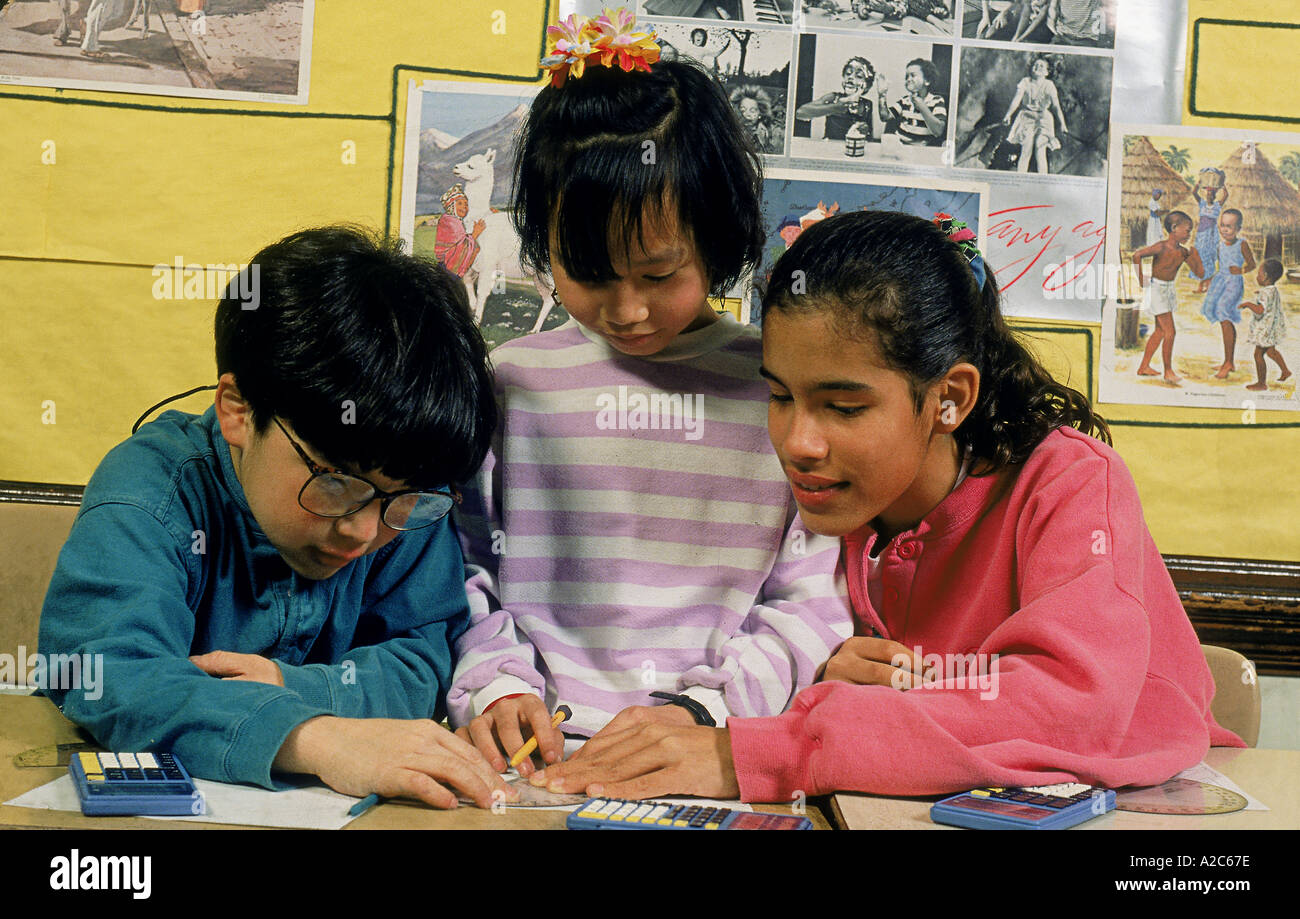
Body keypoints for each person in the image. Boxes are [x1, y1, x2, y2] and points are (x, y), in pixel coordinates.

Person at [529, 210, 1243, 801]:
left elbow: (1072, 706)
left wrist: (769, 749)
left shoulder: (1068, 485)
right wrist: (818, 673)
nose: (798, 442)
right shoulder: (822, 502)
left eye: (843, 405)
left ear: (950, 398)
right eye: (779, 396)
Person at [450, 14, 852, 777]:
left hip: (714, 758)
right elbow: (462, 566)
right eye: (590, 274)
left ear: (720, 240)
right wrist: (496, 683)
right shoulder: (512, 384)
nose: (627, 309)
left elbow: (812, 599)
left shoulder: (776, 391)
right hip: (527, 759)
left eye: (659, 275)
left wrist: (708, 713)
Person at [38, 227, 513, 810]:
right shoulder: (152, 490)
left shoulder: (403, 501)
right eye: (335, 482)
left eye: (404, 498)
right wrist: (313, 737)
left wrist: (295, 687)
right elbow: (103, 671)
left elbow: (421, 656)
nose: (364, 532)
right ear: (238, 410)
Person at [1133, 210, 1203, 385]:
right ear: (1174, 228)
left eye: (1191, 231)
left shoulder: (1184, 252)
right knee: (1170, 332)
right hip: (1157, 289)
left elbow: (1200, 273)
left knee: (1160, 331)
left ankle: (1144, 367)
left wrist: (1196, 256)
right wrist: (1141, 278)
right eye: (1187, 230)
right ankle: (1168, 371)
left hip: (1168, 290)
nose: (1189, 234)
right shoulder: (1162, 247)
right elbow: (1137, 255)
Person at [1200, 208, 1256, 380]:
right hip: (1220, 280)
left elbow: (1252, 264)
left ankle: (1228, 361)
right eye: (1223, 226)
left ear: (1238, 228)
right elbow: (1220, 266)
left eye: (1230, 227)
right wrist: (1209, 280)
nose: (1225, 230)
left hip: (1233, 282)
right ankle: (1228, 360)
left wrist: (1240, 270)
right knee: (1214, 310)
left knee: (1224, 313)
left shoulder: (1242, 244)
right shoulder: (1220, 245)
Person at [1002, 54, 1067, 174]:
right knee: (1026, 149)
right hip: (1026, 117)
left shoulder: (1049, 85)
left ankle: (1043, 180)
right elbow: (1016, 100)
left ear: (1047, 72)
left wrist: (1063, 124)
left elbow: (1056, 106)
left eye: (1042, 66)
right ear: (1031, 68)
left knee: (1040, 148)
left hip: (1043, 119)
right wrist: (1008, 115)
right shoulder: (1025, 82)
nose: (1038, 67)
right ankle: (1020, 178)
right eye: (1035, 65)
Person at [795, 56, 878, 142]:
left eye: (859, 76)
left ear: (867, 86)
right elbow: (800, 113)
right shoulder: (833, 98)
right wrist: (834, 108)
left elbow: (869, 137)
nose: (851, 77)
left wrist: (866, 131)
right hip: (831, 146)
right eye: (848, 73)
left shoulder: (867, 105)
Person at [1239, 258, 1292, 392]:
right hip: (1271, 328)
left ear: (1266, 277)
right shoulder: (1272, 290)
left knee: (1258, 355)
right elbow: (1268, 299)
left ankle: (1261, 383)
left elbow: (1260, 310)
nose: (1257, 277)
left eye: (1259, 274)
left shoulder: (1265, 293)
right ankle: (1285, 371)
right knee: (1271, 351)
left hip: (1264, 329)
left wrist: (1248, 304)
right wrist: (1260, 294)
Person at [875, 58, 947, 147]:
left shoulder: (937, 100)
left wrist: (922, 107)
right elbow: (885, 117)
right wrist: (882, 95)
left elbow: (938, 130)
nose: (908, 79)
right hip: (900, 146)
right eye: (906, 77)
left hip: (921, 150)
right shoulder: (905, 100)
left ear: (927, 81)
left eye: (913, 75)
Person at [425, 184, 485, 278]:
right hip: (448, 267)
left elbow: (462, 240)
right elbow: (462, 245)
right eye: (460, 203)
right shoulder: (450, 221)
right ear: (451, 206)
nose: (465, 207)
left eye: (466, 204)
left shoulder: (455, 221)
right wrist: (475, 233)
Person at [1191, 174, 1227, 288]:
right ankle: (1200, 276)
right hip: (1202, 233)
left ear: (1214, 196)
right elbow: (1194, 193)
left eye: (1211, 195)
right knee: (1201, 253)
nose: (1209, 196)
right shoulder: (1202, 204)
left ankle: (1209, 276)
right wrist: (1199, 183)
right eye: (1207, 194)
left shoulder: (1217, 205)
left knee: (1211, 253)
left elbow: (1226, 195)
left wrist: (1222, 185)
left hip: (1211, 233)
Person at [730, 85, 776, 153]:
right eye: (743, 110)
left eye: (752, 111)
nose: (747, 114)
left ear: (760, 113)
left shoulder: (768, 132)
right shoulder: (733, 131)